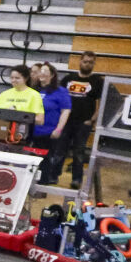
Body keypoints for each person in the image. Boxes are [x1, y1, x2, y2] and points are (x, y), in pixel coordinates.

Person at [61, 51, 105, 189]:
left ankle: (76, 180)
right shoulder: (68, 78)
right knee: (59, 149)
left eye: (91, 62)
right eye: (85, 61)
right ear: (80, 62)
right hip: (66, 121)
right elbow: (59, 98)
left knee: (79, 152)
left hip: (83, 123)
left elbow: (102, 102)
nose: (87, 64)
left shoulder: (98, 81)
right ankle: (51, 176)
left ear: (94, 64)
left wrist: (92, 120)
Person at [31, 63, 72, 182]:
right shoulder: (34, 91)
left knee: (45, 160)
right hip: (32, 131)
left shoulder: (60, 91)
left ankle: (43, 184)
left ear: (52, 74)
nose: (42, 73)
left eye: (45, 70)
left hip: (49, 132)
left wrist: (58, 129)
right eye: (40, 70)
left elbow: (66, 111)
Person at [0, 64, 43, 145]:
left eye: (17, 78)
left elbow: (40, 120)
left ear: (26, 78)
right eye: (12, 78)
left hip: (23, 137)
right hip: (1, 136)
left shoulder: (34, 95)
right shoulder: (4, 94)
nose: (14, 80)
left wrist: (17, 115)